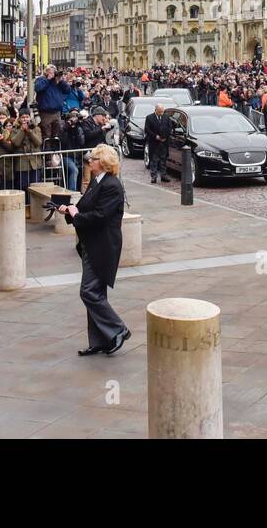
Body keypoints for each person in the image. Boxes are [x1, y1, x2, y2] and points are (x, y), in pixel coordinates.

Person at [63, 145, 131, 357]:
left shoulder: (112, 185)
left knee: (89, 292)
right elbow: (84, 207)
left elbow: (100, 216)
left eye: (92, 159)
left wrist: (76, 215)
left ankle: (118, 329)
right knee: (97, 293)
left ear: (103, 162)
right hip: (91, 244)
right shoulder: (97, 181)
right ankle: (101, 340)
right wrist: (68, 210)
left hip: (102, 246)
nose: (88, 162)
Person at [144, 103, 172, 183]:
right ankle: (154, 176)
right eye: (160, 112)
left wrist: (165, 137)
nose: (161, 113)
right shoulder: (149, 118)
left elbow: (170, 127)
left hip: (164, 142)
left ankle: (163, 175)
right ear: (156, 110)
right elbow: (147, 129)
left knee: (163, 160)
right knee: (154, 160)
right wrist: (155, 136)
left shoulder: (166, 117)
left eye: (162, 112)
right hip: (154, 142)